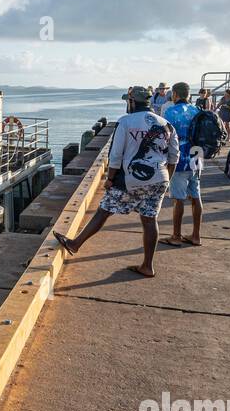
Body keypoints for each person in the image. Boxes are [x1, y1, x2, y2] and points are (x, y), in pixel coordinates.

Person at [52, 86, 179, 278]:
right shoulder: (166, 124)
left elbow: (116, 155)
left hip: (131, 179)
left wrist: (110, 179)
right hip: (160, 178)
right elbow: (173, 156)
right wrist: (166, 179)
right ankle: (147, 266)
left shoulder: (126, 122)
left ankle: (74, 244)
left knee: (104, 211)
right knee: (149, 219)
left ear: (131, 102)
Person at [160, 82, 203, 247]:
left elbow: (166, 137)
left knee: (178, 198)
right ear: (189, 95)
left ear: (175, 95)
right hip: (197, 155)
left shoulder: (170, 112)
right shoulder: (197, 111)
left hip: (180, 157)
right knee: (196, 196)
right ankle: (196, 236)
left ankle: (176, 236)